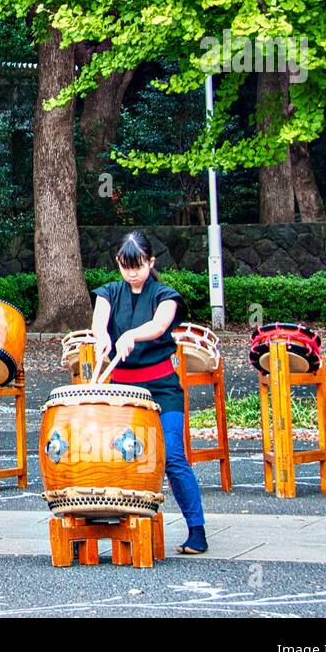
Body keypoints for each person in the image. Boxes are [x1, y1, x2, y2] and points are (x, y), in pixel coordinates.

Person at [91, 231, 207, 554]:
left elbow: (158, 325)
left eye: (138, 266)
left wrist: (132, 334)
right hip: (123, 391)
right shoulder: (109, 293)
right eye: (126, 266)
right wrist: (102, 338)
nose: (132, 272)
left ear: (151, 262)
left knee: (172, 455)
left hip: (162, 388)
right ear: (118, 263)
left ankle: (196, 529)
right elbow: (99, 323)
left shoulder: (165, 295)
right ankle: (113, 529)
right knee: (116, 457)